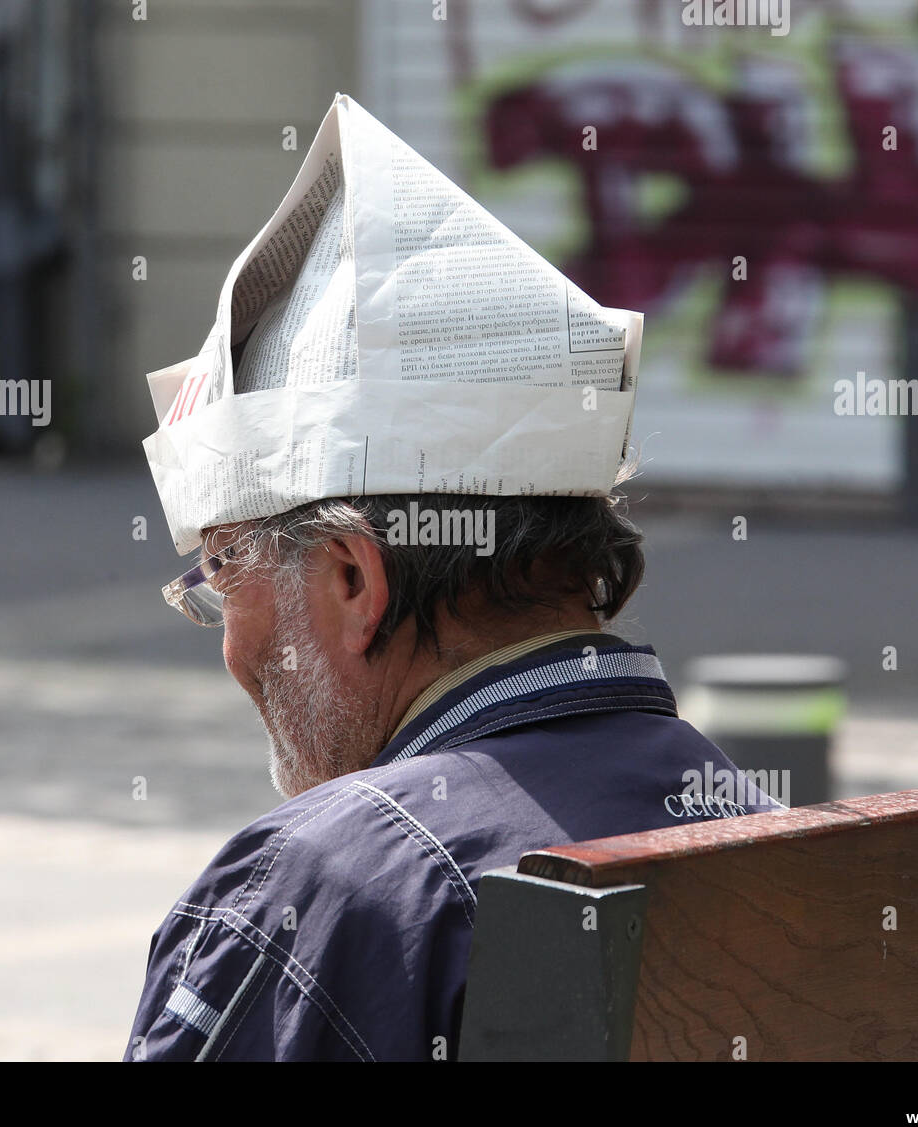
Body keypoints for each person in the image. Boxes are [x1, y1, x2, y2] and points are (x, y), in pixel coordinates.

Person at [125, 93, 781, 1062]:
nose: (231, 648)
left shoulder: (326, 888)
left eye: (225, 570)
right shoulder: (743, 812)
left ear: (353, 578)